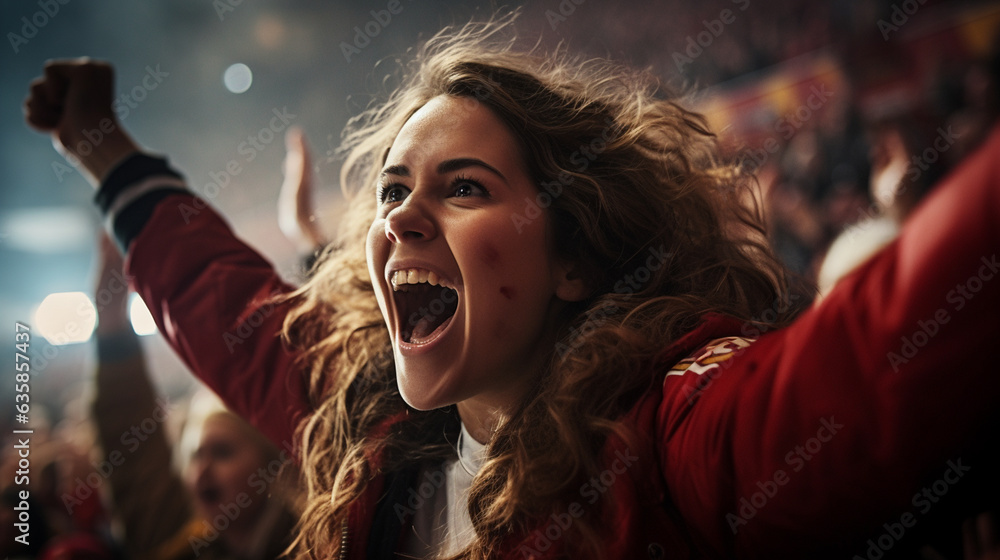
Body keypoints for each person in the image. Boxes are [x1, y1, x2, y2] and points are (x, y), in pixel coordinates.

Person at [23, 15, 1000, 560]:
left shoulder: (667, 428)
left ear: (571, 255)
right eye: (395, 191)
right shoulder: (370, 426)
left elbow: (873, 366)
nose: (398, 218)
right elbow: (228, 308)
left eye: (463, 188)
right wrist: (101, 147)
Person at [89, 233, 299, 559]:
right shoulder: (181, 546)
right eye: (195, 455)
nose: (202, 470)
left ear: (270, 466)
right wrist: (110, 321)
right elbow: (133, 466)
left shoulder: (319, 544)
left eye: (222, 452)